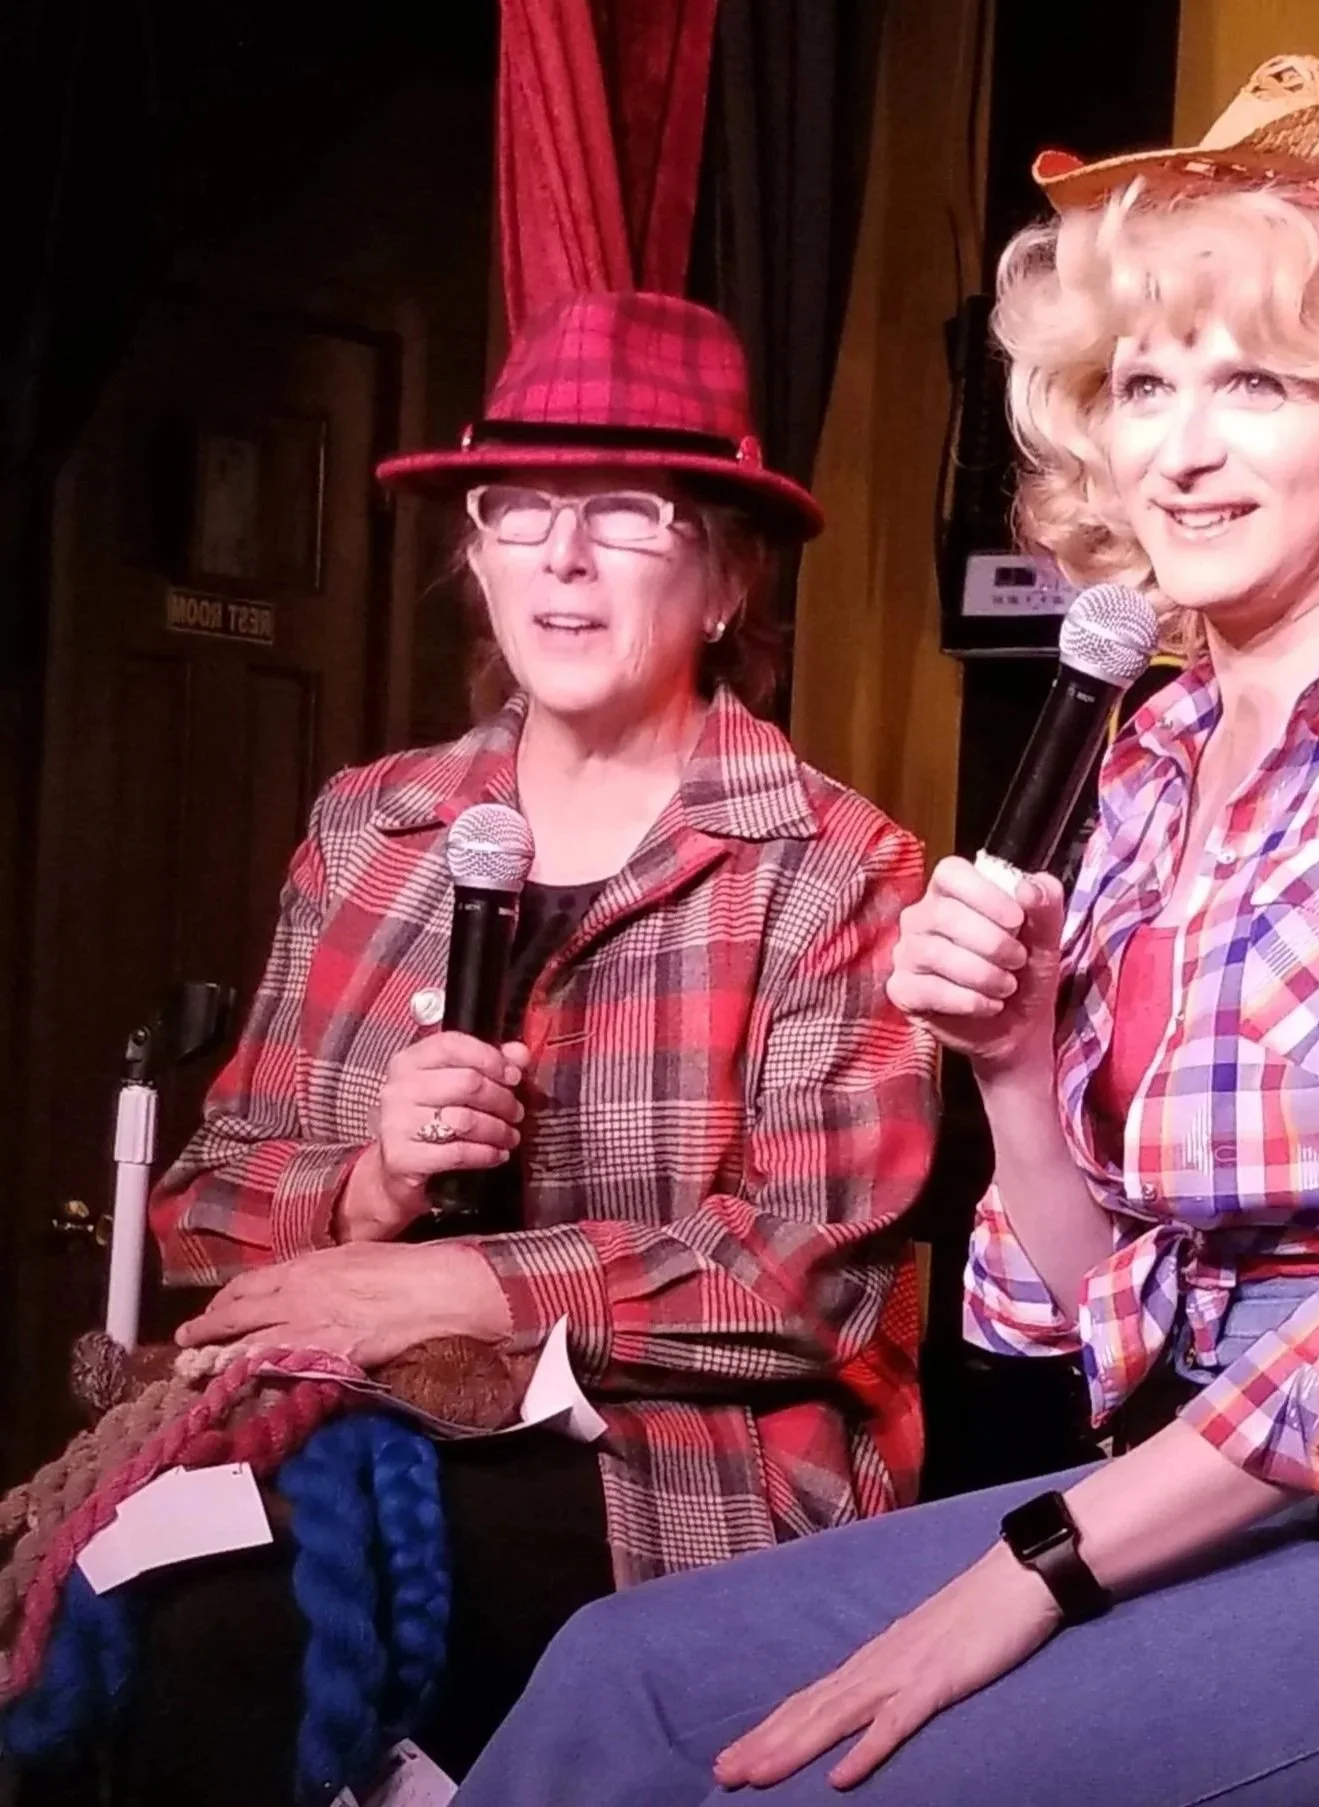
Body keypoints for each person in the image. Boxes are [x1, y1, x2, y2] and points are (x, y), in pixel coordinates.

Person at [452, 57, 1319, 1807]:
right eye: (1138, 382)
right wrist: (1018, 1067)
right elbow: (1092, 1312)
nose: (1177, 449)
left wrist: (1021, 1575)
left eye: (1255, 380)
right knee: (617, 1673)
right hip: (1199, 1472)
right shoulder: (1156, 754)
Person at [110, 291, 937, 1804]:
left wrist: (453, 1279)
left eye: (623, 515)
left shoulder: (834, 868)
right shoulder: (377, 822)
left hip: (687, 1465)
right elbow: (204, 1209)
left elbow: (815, 1283)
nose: (558, 555)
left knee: (237, 1631)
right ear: (474, 552)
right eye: (519, 509)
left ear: (723, 575)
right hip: (346, 1401)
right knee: (114, 1605)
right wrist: (368, 1184)